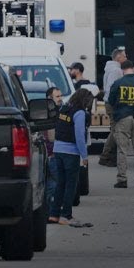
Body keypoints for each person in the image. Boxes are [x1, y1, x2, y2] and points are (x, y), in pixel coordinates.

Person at [48, 87, 96, 228]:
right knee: (71, 185)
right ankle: (66, 215)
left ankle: (54, 214)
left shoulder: (64, 109)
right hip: (71, 152)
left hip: (58, 150)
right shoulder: (79, 113)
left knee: (60, 184)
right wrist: (84, 156)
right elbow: (80, 136)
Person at [106, 57, 134, 189]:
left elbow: (111, 100)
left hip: (122, 118)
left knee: (122, 150)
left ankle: (122, 179)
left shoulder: (118, 83)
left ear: (122, 70)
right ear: (133, 69)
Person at [99, 48, 129, 168]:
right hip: (114, 104)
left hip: (109, 103)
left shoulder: (110, 69)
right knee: (116, 130)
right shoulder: (116, 70)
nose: (126, 58)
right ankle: (105, 155)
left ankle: (111, 157)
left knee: (115, 129)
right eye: (124, 56)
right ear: (118, 57)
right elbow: (113, 87)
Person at [44, 86, 63, 215]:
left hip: (52, 153)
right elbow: (51, 137)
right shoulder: (51, 114)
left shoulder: (55, 112)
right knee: (53, 184)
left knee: (52, 183)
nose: (60, 99)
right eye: (57, 96)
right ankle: (51, 212)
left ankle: (50, 212)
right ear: (49, 99)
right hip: (52, 153)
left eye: (61, 96)